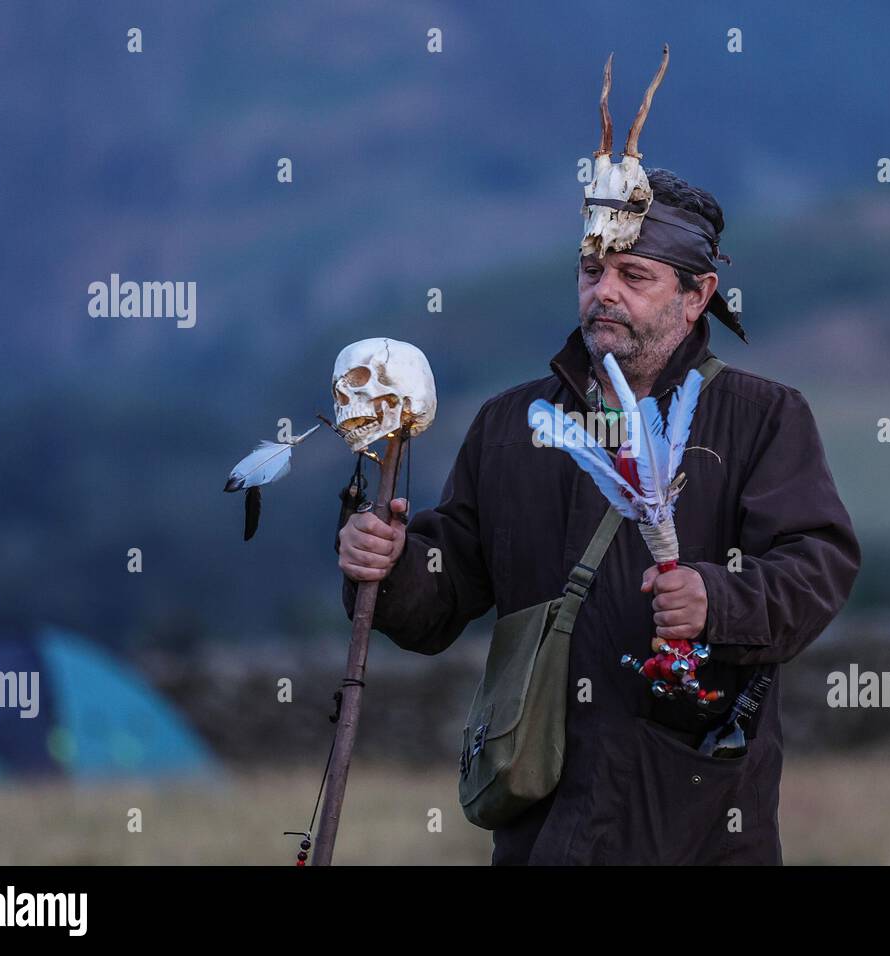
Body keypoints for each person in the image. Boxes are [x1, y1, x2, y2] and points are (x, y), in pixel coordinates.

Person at [337, 49, 859, 865]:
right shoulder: (514, 425)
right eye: (591, 269)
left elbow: (818, 567)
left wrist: (717, 602)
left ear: (698, 296)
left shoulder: (762, 419)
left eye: (633, 274)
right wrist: (393, 561)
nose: (603, 292)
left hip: (701, 832)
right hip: (547, 832)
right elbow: (441, 601)